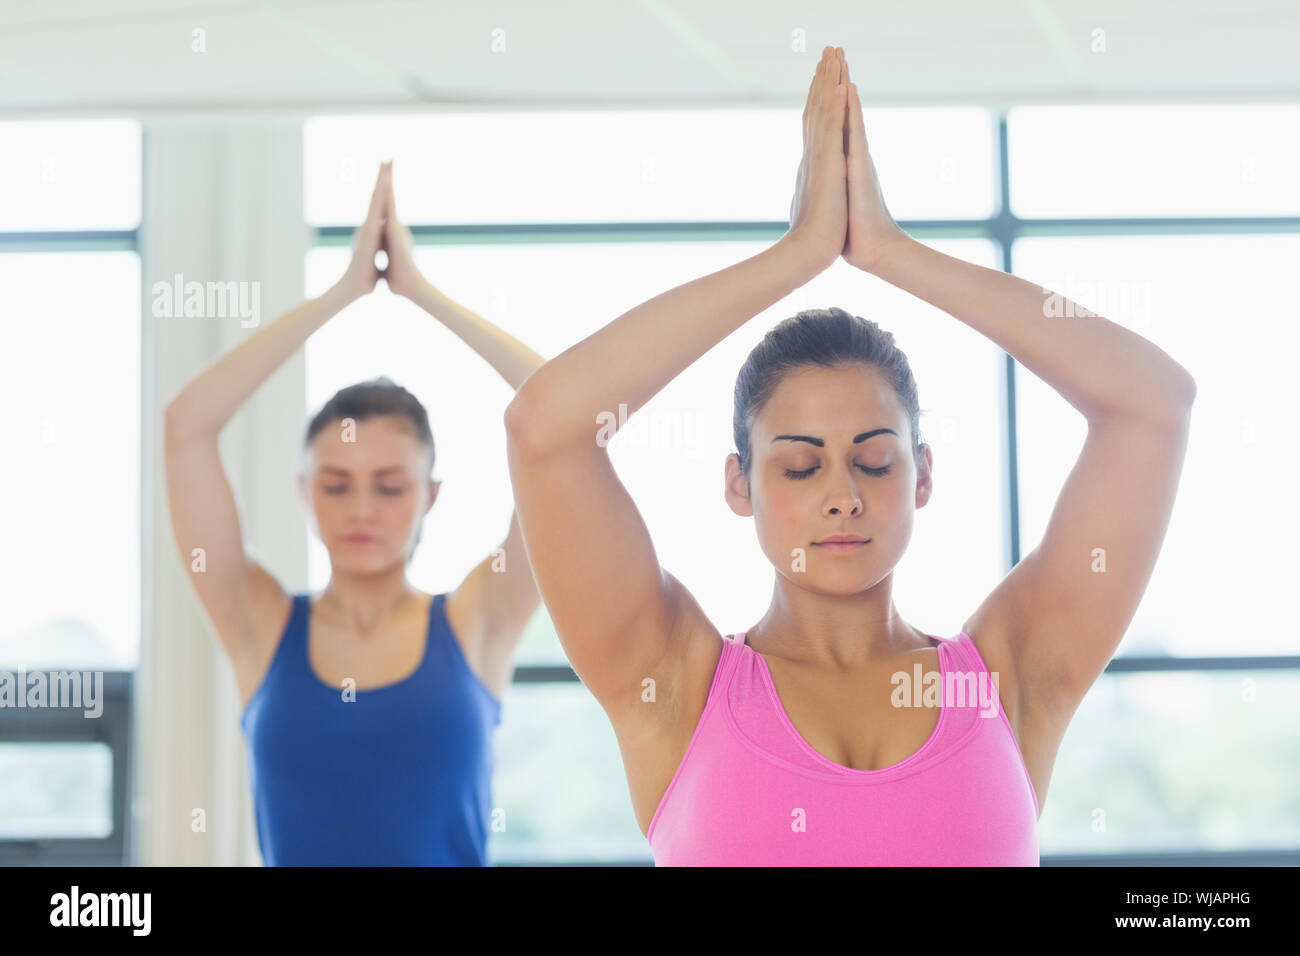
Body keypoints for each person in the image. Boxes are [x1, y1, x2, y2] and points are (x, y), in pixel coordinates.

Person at [503, 46, 1195, 865]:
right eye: (800, 465)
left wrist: (892, 253)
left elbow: (1153, 403)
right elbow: (544, 427)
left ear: (923, 474)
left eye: (874, 460)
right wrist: (794, 255)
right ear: (740, 484)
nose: (842, 495)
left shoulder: (1011, 674)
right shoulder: (673, 683)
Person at [164, 162, 543, 865]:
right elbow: (186, 425)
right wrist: (342, 293)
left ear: (431, 494)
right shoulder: (259, 624)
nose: (361, 508)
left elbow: (561, 410)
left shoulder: (479, 618)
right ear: (304, 491)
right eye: (335, 484)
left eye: (391, 486)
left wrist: (419, 294)